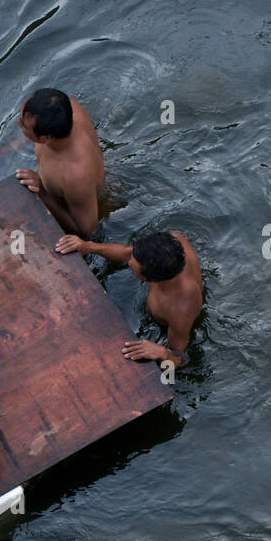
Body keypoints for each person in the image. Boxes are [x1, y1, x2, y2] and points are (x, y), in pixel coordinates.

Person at [59, 231, 203, 367]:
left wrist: (163, 353)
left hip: (165, 325)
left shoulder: (180, 309)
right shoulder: (171, 244)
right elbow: (128, 255)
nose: (129, 263)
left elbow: (180, 360)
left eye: (133, 268)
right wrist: (88, 246)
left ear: (151, 280)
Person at [13, 88, 105, 242]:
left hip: (79, 203)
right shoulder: (62, 108)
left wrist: (41, 192)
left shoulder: (75, 174)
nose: (17, 122)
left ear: (44, 138)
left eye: (23, 125)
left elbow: (87, 230)